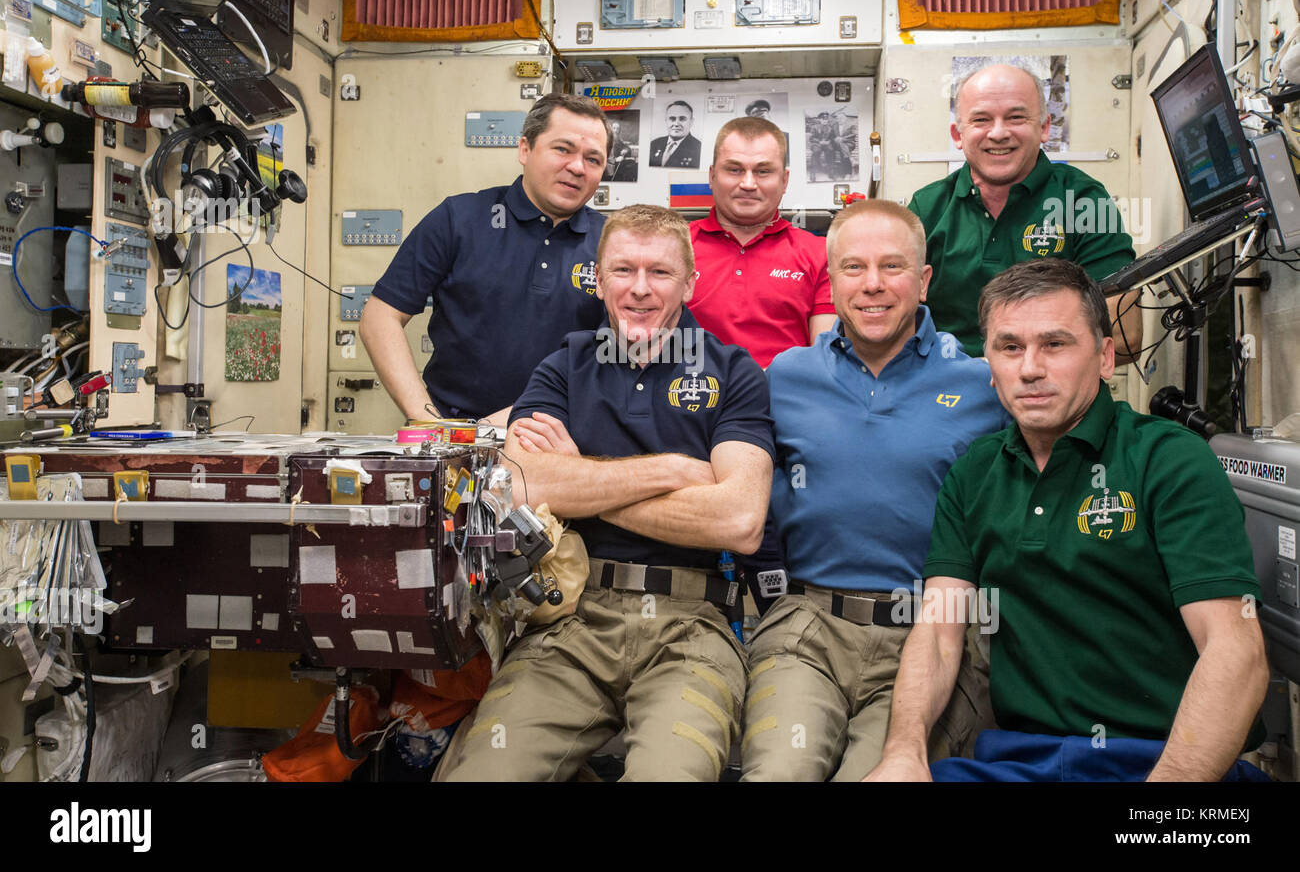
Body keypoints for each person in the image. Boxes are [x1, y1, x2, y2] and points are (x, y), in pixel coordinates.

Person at [867, 258, 1269, 782]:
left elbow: (1236, 652)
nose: (1029, 368)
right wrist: (904, 752)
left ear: (1105, 357)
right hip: (1018, 762)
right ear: (988, 363)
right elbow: (940, 635)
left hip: (1167, 762)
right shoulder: (974, 473)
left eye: (1054, 344)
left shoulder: (1169, 459)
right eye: (1009, 347)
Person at [437, 204, 775, 782]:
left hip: (693, 628)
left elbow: (739, 521)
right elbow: (521, 482)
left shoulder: (734, 372)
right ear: (598, 278)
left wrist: (581, 477)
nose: (639, 289)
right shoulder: (566, 365)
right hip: (569, 618)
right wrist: (675, 469)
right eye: (623, 270)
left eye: (660, 272)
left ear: (691, 282)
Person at [741, 200, 1008, 781]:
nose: (873, 286)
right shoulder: (785, 376)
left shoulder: (985, 383)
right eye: (853, 268)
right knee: (776, 773)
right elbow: (737, 485)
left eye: (893, 267)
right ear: (830, 279)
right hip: (807, 629)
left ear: (925, 279)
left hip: (930, 638)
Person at [359, 93, 609, 427]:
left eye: (593, 159)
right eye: (562, 149)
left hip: (562, 436)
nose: (577, 167)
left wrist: (521, 417)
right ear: (525, 149)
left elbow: (622, 353)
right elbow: (380, 317)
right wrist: (427, 419)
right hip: (455, 435)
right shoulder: (459, 219)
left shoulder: (614, 243)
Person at [908, 63, 1142, 360]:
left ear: (1044, 127)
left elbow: (1124, 336)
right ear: (958, 134)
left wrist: (1017, 370)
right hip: (951, 393)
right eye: (981, 120)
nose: (998, 133)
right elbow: (896, 326)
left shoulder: (1085, 201)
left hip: (1055, 393)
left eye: (1016, 117)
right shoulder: (927, 207)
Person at [688, 116, 836, 370]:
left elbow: (824, 362)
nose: (747, 184)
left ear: (784, 180)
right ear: (712, 176)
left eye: (763, 171)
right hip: (691, 400)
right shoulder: (675, 247)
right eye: (734, 170)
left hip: (783, 404)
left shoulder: (820, 254)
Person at [648, 100, 702, 168]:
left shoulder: (698, 148)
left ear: (691, 122)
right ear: (666, 121)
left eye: (682, 119)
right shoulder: (654, 144)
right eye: (672, 119)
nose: (676, 124)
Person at [603, 116, 637, 183]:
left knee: (634, 165)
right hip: (609, 167)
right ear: (611, 129)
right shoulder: (606, 140)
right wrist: (615, 159)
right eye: (614, 128)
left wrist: (625, 150)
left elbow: (626, 147)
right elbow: (603, 156)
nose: (616, 130)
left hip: (617, 164)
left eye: (618, 129)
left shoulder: (617, 139)